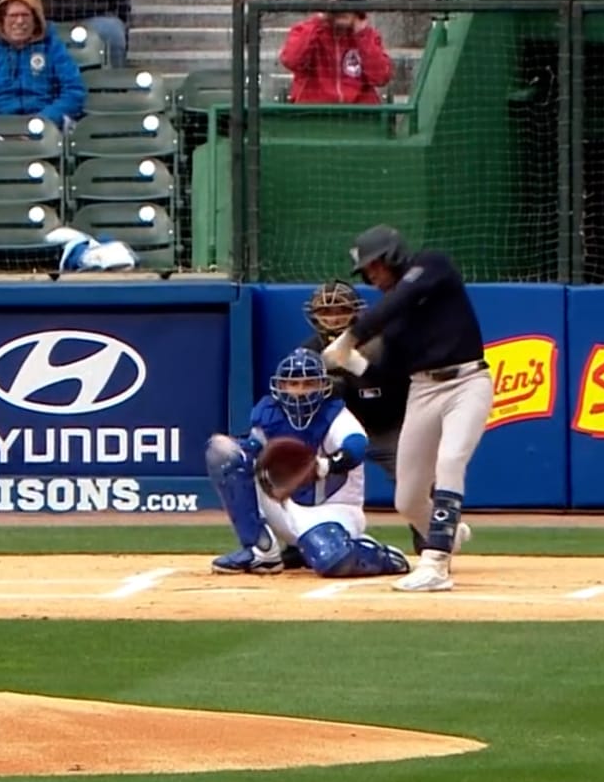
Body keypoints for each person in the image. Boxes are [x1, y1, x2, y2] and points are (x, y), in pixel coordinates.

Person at [325, 224, 491, 593]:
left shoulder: (432, 266)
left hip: (467, 382)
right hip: (422, 390)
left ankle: (435, 563)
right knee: (408, 498)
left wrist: (351, 337)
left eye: (375, 266)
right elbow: (385, 374)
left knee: (450, 461)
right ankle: (448, 530)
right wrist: (349, 361)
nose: (371, 276)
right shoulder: (395, 322)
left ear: (394, 256)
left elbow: (402, 297)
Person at [205, 348, 410, 579]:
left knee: (333, 560)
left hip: (332, 509)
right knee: (221, 450)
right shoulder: (268, 413)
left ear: (323, 385)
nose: (300, 392)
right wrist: (246, 451)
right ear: (281, 386)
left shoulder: (335, 414)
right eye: (294, 384)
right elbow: (254, 448)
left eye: (309, 383)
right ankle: (260, 550)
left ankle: (383, 556)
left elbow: (356, 446)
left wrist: (324, 466)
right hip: (283, 503)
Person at [295, 280, 440, 562]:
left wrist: (362, 372)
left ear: (355, 312)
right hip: (338, 429)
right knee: (301, 472)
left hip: (389, 425)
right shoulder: (309, 352)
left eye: (341, 309)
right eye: (326, 311)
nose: (333, 317)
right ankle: (298, 542)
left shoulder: (381, 343)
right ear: (314, 316)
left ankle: (433, 548)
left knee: (419, 481)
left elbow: (405, 385)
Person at [279, 0, 392, 105]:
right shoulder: (307, 32)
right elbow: (291, 60)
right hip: (312, 113)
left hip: (358, 114)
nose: (342, 11)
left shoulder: (368, 36)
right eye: (337, 6)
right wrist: (318, 21)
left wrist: (362, 35)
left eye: (347, 5)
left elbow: (381, 77)